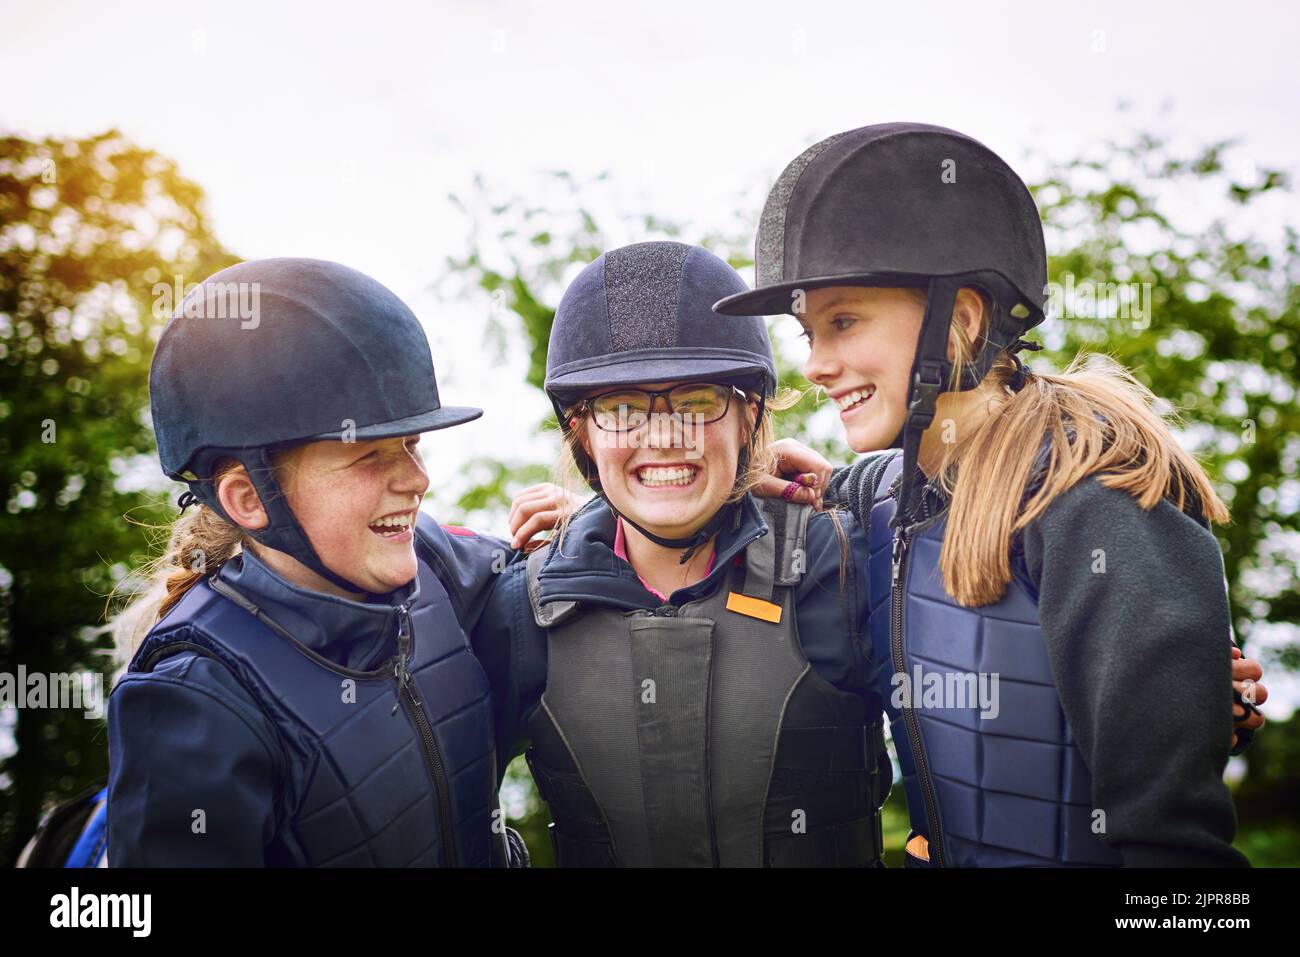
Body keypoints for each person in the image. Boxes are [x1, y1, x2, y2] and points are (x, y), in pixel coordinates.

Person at [710, 121, 1264, 866]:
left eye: (843, 322)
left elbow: (1176, 852)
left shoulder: (1089, 504)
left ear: (962, 321)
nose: (816, 364)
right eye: (810, 333)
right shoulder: (885, 494)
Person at [475, 240, 892, 866]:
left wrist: (857, 485)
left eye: (698, 401)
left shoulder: (846, 563)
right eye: (621, 408)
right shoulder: (518, 606)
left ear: (748, 417)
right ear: (582, 433)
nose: (664, 437)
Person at [106, 258, 518, 866]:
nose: (419, 478)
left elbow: (557, 592)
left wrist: (591, 525)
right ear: (249, 498)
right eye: (369, 457)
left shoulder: (429, 561)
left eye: (412, 444)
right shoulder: (194, 700)